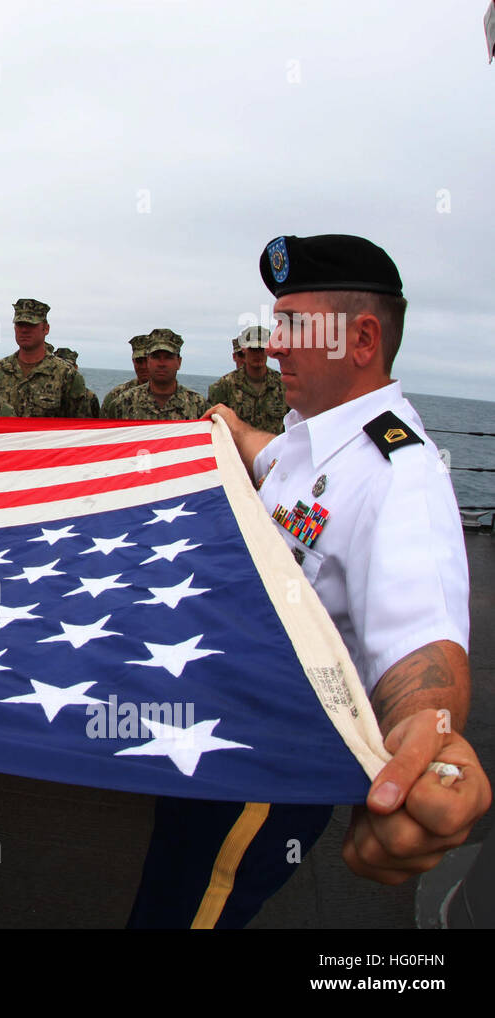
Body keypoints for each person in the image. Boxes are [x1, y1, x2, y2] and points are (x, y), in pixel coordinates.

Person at [130, 233, 490, 927]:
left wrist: (428, 735)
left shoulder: (402, 477)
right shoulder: (316, 436)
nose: (272, 347)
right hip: (217, 732)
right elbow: (281, 470)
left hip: (262, 772)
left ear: (361, 339)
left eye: (294, 326)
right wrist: (234, 428)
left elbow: (423, 643)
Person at [0, 298, 93, 418]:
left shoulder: (67, 375)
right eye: (20, 324)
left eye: (31, 325)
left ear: (46, 329)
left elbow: (80, 426)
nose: (24, 330)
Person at [103, 328, 209, 420]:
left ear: (179, 362)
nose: (161, 364)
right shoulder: (122, 405)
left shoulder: (198, 406)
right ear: (148, 361)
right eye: (156, 357)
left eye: (168, 357)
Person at [206, 325, 288, 434]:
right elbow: (212, 427)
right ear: (244, 349)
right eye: (253, 349)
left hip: (274, 449)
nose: (258, 354)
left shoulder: (284, 385)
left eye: (262, 349)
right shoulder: (224, 386)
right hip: (236, 450)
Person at [100, 334, 151, 416]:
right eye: (139, 361)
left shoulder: (173, 396)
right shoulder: (115, 397)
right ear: (133, 361)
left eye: (147, 361)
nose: (144, 366)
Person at [55, 346, 102, 418]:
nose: (64, 370)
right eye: (59, 366)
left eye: (69, 366)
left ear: (76, 367)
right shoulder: (43, 392)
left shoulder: (89, 397)